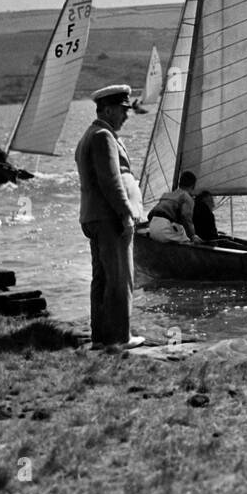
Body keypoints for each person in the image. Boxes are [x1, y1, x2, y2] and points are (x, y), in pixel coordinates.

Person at [75, 84, 144, 349]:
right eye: (123, 110)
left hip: (96, 217)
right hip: (109, 218)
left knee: (102, 278)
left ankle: (102, 337)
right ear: (108, 109)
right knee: (119, 277)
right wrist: (126, 213)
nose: (127, 116)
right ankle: (119, 337)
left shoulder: (92, 134)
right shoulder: (103, 136)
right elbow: (111, 181)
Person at [147, 171, 199, 244]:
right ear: (193, 186)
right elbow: (185, 217)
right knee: (187, 241)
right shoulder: (186, 197)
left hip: (152, 228)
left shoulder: (166, 195)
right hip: (165, 229)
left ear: (179, 183)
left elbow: (149, 215)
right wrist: (193, 236)